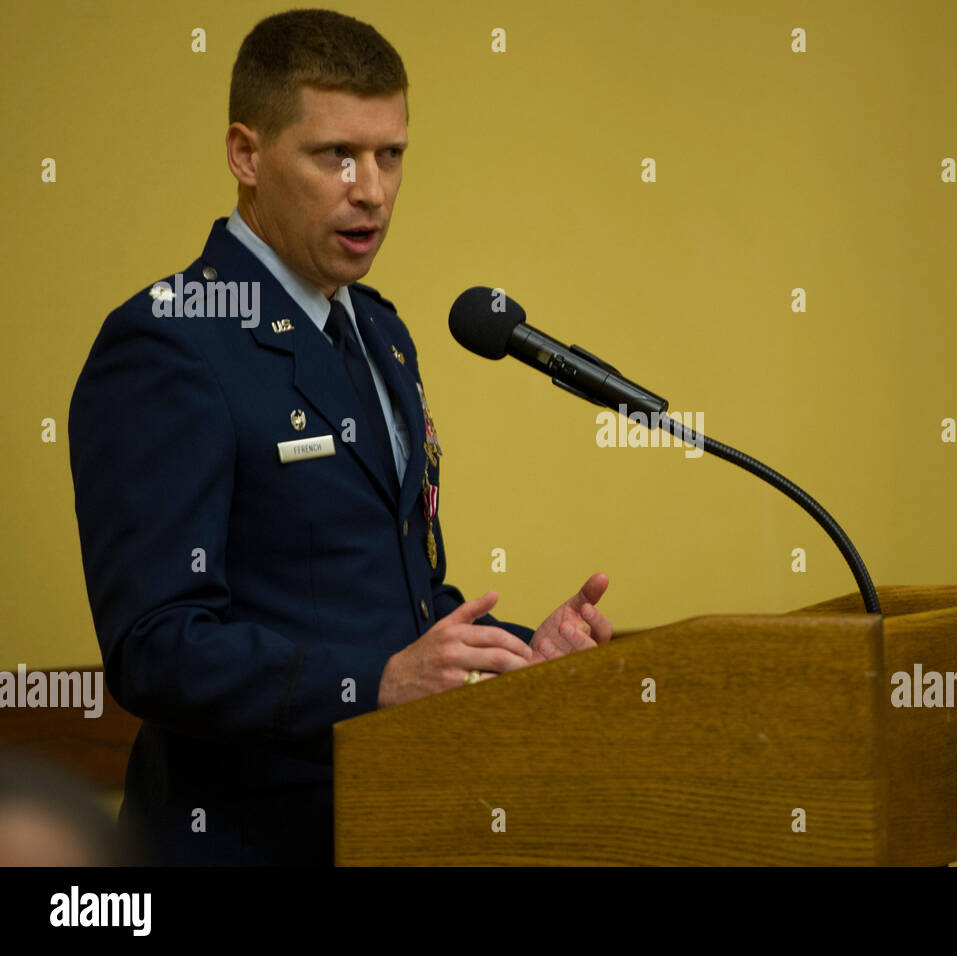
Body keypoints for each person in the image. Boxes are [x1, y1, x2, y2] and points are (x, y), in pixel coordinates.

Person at [67, 9, 613, 866]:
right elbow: (155, 648)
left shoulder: (380, 332)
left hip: (392, 823)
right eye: (337, 156)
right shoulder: (172, 341)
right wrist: (376, 684)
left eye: (391, 154)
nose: (373, 189)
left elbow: (395, 596)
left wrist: (513, 658)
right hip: (242, 841)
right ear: (247, 155)